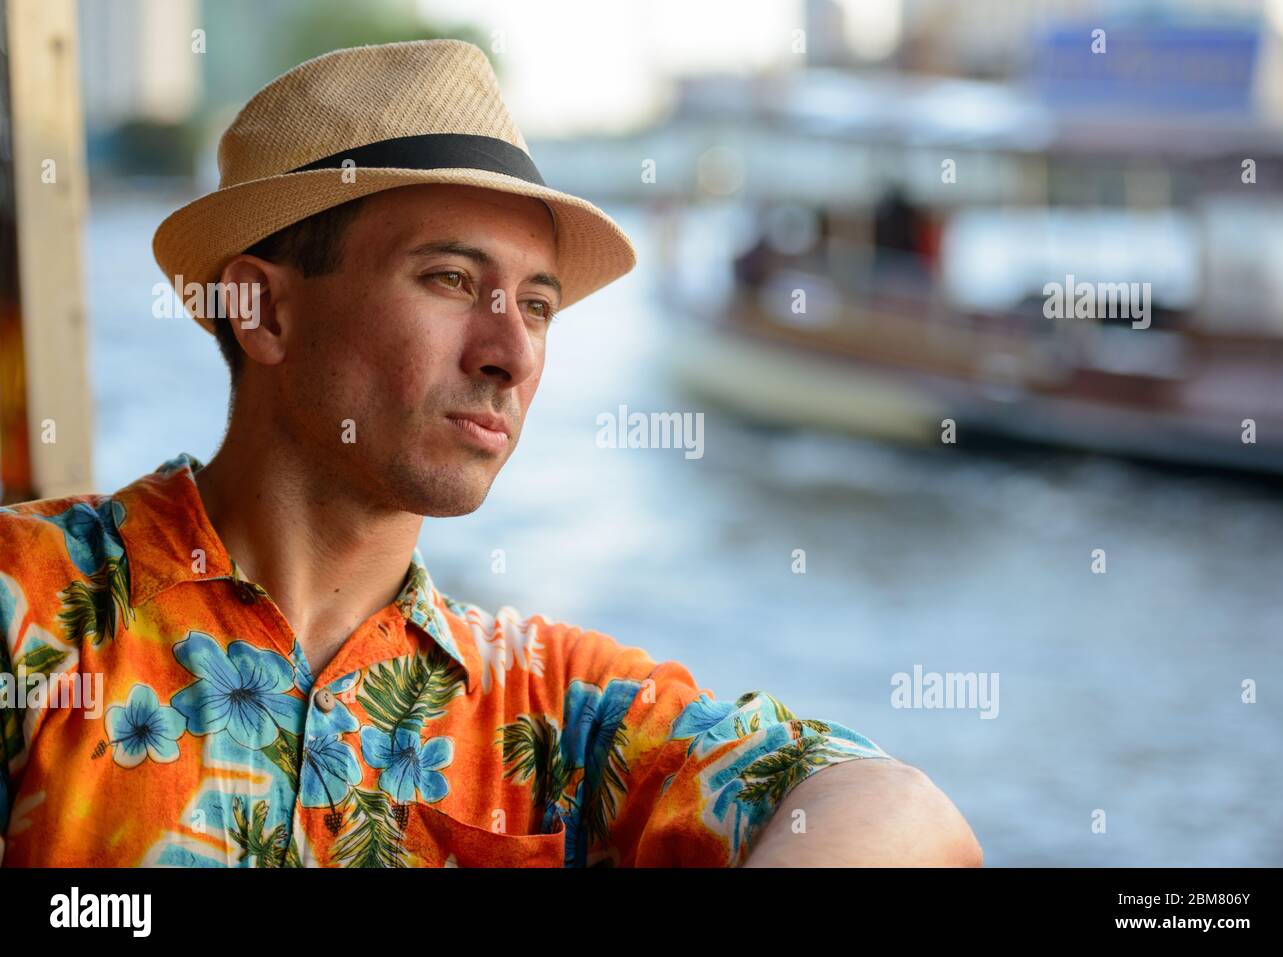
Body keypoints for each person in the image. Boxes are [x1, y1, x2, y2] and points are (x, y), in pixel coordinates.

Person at [0, 40, 980, 867]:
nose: (509, 354)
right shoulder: (33, 611)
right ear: (261, 309)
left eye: (538, 305)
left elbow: (898, 812)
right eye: (450, 278)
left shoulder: (552, 708)